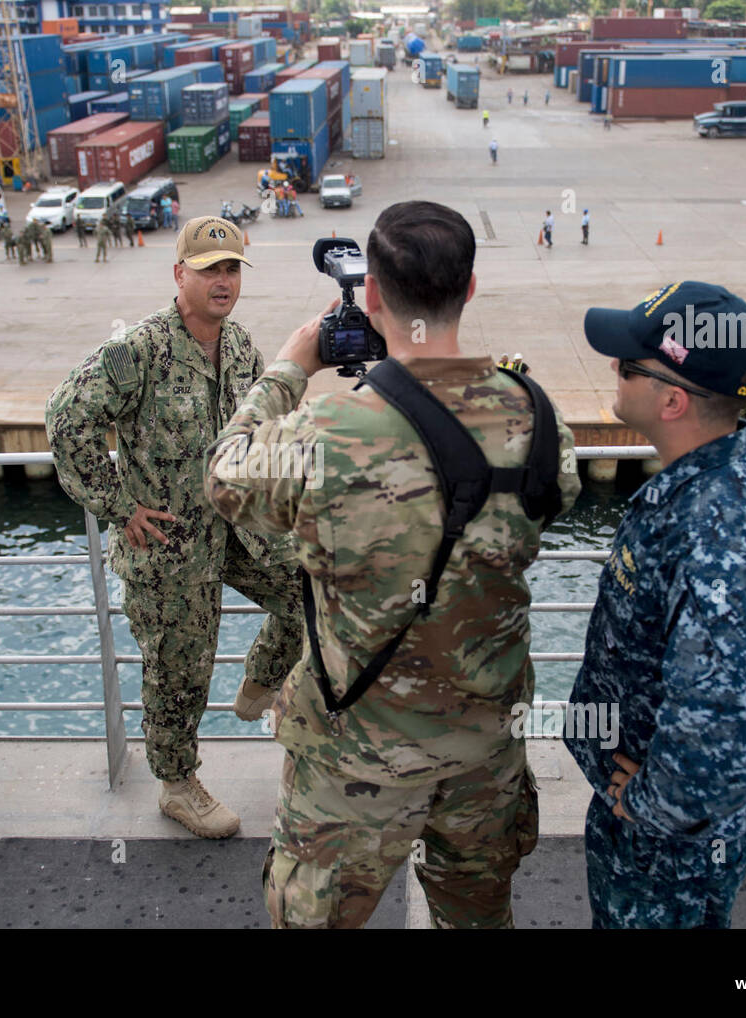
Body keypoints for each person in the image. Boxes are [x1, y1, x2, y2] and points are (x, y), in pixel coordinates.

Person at [206, 201, 581, 927]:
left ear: (371, 294)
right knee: (478, 919)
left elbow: (224, 475)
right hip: (486, 752)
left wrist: (290, 366)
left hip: (354, 760)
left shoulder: (330, 430)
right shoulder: (536, 413)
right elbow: (554, 498)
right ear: (470, 288)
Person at [567, 281, 746, 928]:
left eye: (628, 364)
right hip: (684, 811)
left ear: (672, 400)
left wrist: (649, 804)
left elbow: (721, 720)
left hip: (667, 840)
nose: (614, 367)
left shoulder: (711, 527)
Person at [46, 217, 303, 839]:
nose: (223, 280)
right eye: (209, 269)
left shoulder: (240, 346)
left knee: (315, 590)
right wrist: (119, 505)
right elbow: (66, 420)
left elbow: (264, 428)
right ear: (179, 274)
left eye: (232, 268)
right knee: (178, 673)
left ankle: (262, 678)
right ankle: (178, 785)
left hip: (240, 527)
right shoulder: (137, 350)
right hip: (170, 545)